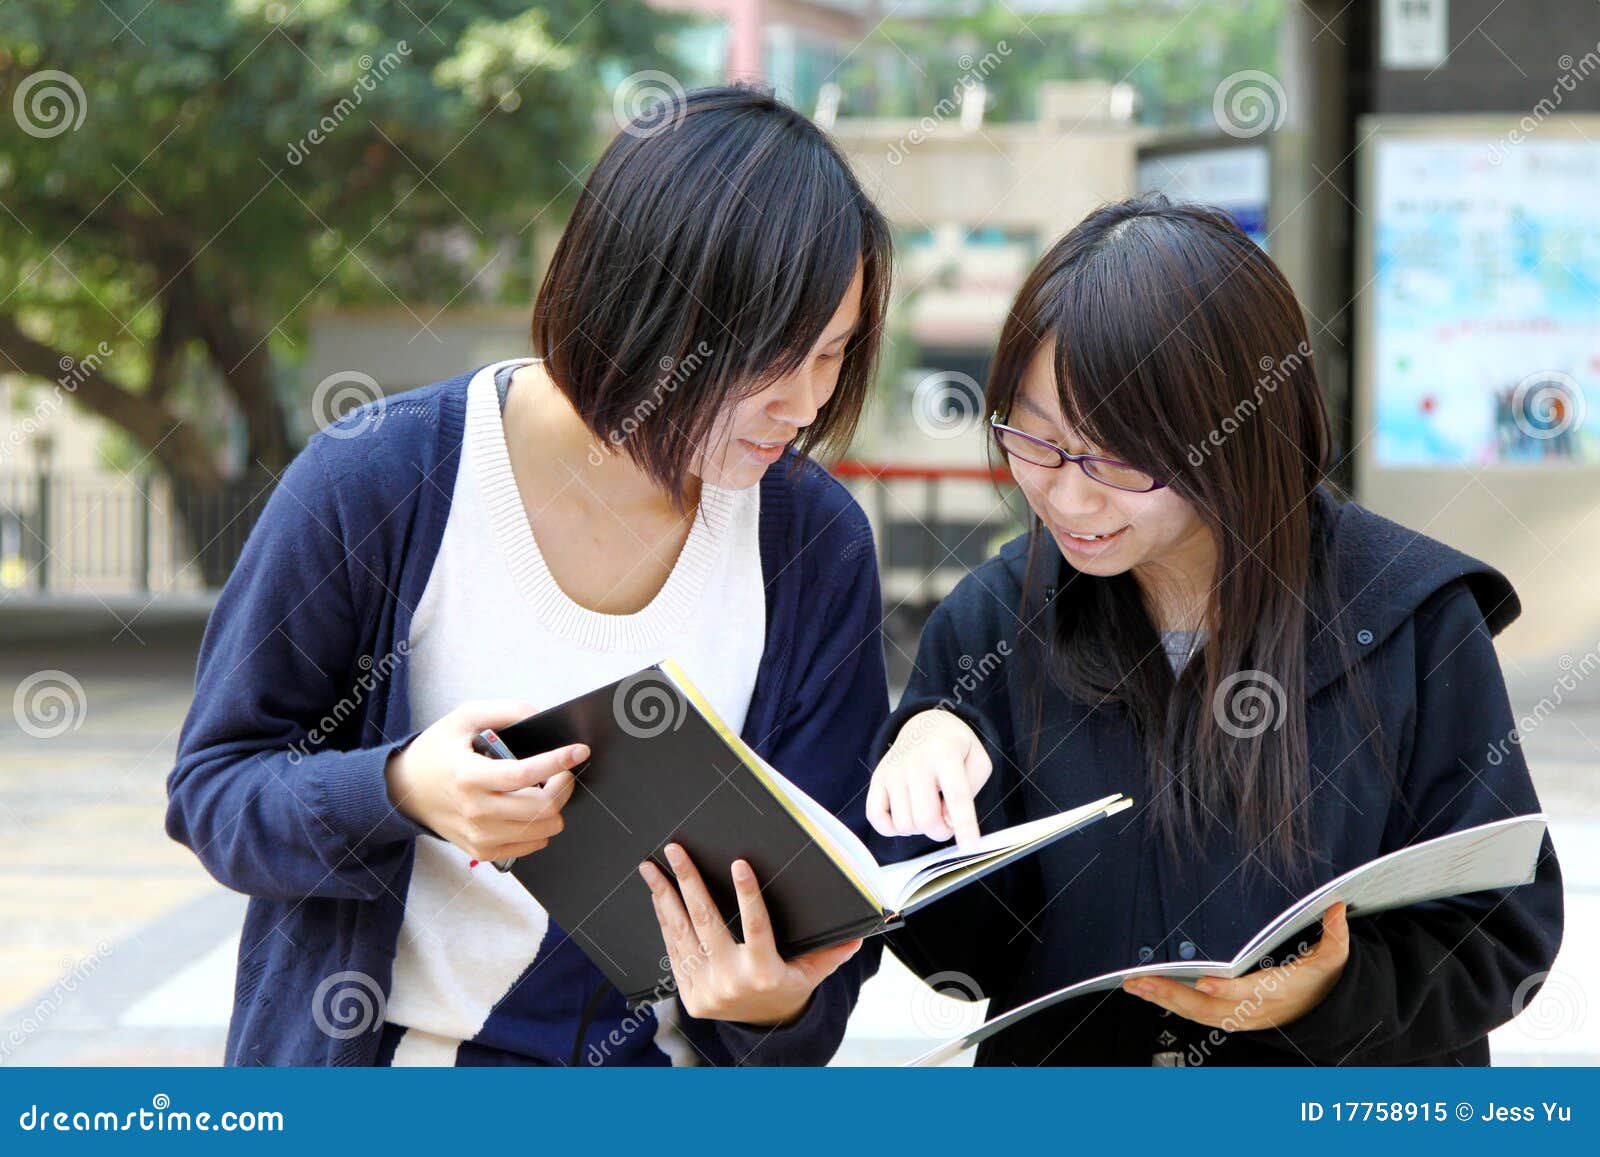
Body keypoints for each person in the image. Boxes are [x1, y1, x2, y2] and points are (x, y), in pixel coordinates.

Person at [168, 85, 893, 1067]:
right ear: (645, 306)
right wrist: (399, 787)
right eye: (777, 358)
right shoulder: (379, 480)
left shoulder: (812, 540)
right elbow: (214, 791)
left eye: (833, 358)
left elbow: (836, 903)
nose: (805, 404)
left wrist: (772, 1004)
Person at [867, 194, 1563, 1066]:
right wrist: (915, 786)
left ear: (1239, 432)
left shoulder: (1413, 616)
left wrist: (1332, 993)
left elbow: (1505, 931)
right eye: (1033, 440)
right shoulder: (994, 620)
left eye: (1119, 458)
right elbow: (964, 958)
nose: (1068, 496)